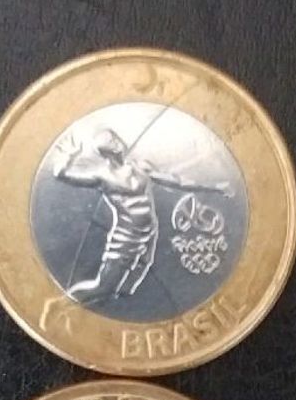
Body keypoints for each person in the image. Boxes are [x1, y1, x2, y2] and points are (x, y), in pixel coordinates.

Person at [53, 127, 232, 304]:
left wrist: (216, 187)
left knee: (129, 288)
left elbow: (178, 182)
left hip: (149, 232)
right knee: (103, 287)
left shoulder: (140, 166)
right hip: (126, 237)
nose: (117, 144)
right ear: (104, 152)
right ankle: (62, 305)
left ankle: (109, 315)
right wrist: (68, 155)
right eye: (110, 143)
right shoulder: (102, 176)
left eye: (115, 138)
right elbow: (61, 175)